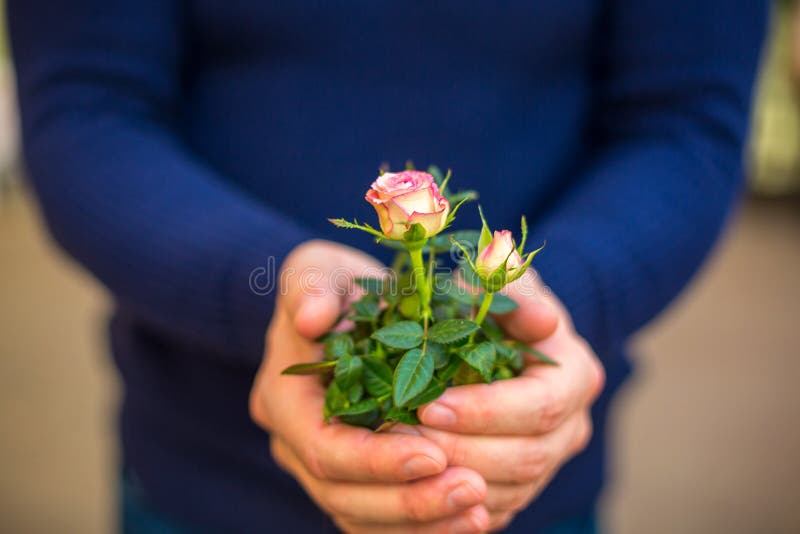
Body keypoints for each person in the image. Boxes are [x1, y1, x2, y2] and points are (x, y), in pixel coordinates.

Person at [7, 1, 765, 532]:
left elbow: (686, 117)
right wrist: (271, 284)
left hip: (520, 483)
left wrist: (547, 301)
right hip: (202, 478)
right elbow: (85, 104)